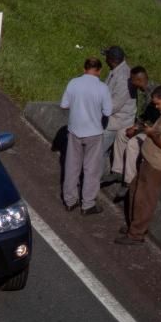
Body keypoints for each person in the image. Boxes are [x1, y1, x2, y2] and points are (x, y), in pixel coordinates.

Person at [118, 85, 161, 245]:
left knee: (144, 199)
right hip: (151, 161)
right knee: (135, 191)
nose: (156, 107)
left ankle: (136, 234)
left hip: (159, 166)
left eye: (158, 103)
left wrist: (150, 133)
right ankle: (134, 226)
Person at [60, 57, 113, 215]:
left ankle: (70, 200)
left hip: (74, 131)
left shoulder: (73, 83)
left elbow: (64, 105)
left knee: (71, 166)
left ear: (84, 69)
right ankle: (87, 204)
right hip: (94, 133)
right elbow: (108, 112)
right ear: (99, 70)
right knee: (91, 169)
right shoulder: (103, 88)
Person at [111, 65, 152, 199]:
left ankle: (128, 182)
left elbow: (152, 120)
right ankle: (117, 170)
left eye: (132, 80)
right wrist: (134, 126)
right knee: (121, 134)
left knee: (132, 144)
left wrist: (136, 128)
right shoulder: (143, 91)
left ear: (139, 80)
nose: (130, 82)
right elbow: (144, 116)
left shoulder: (152, 95)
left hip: (152, 131)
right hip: (142, 125)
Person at [102, 46, 134, 177]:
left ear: (111, 60)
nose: (105, 60)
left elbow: (113, 106)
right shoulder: (117, 70)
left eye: (106, 57)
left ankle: (95, 179)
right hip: (111, 117)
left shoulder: (123, 78)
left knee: (98, 151)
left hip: (116, 122)